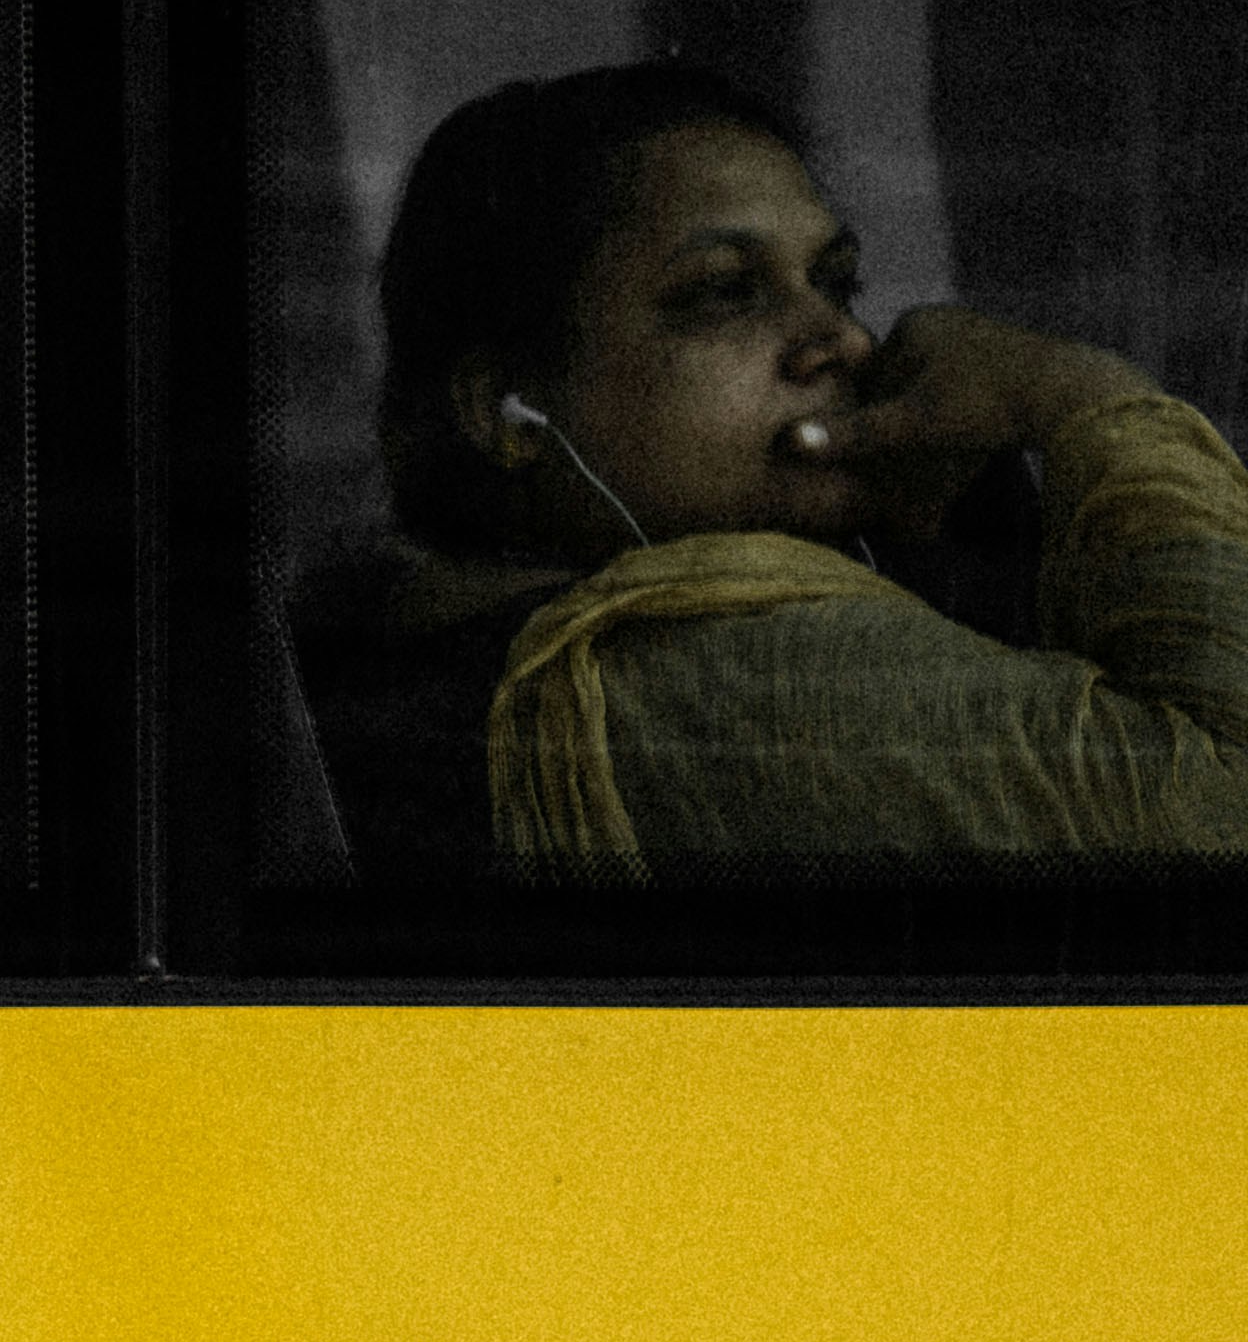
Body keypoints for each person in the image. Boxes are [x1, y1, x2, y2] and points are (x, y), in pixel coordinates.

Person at [291, 54, 1248, 878]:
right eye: (724, 293)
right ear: (504, 411)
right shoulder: (678, 663)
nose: (835, 339)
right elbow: (1221, 801)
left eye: (835, 282)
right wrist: (1080, 398)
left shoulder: (423, 643)